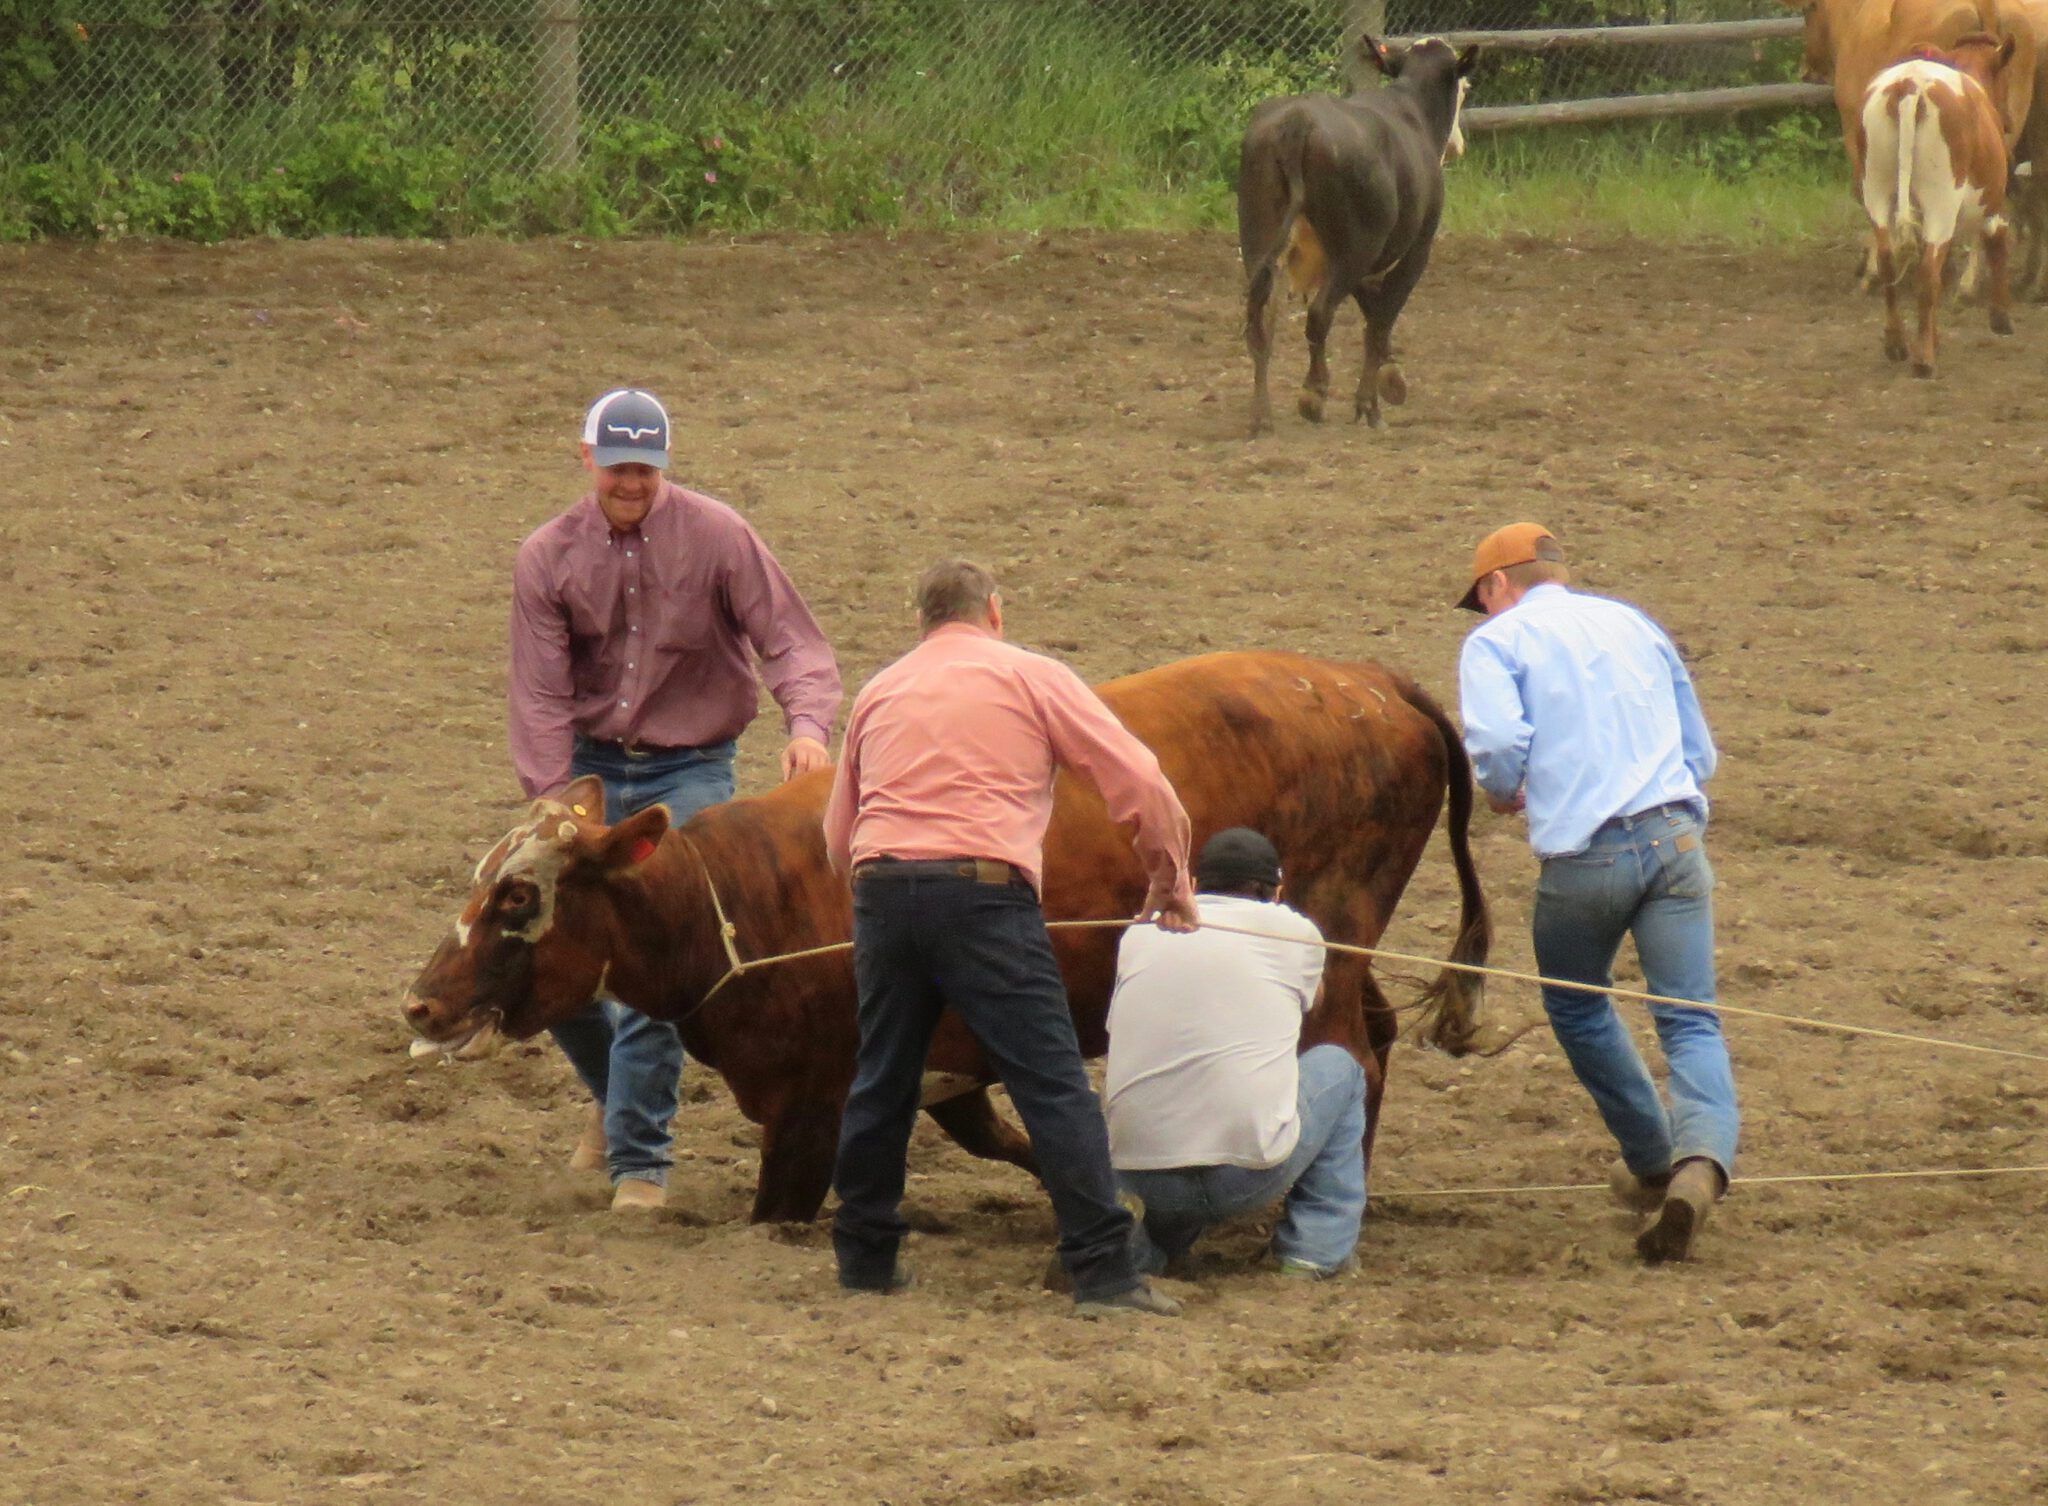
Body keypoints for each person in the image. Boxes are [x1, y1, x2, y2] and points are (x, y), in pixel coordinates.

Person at [823, 559, 1197, 1318]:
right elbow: (1139, 779)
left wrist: (873, 901)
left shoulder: (880, 690)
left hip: (885, 892)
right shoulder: (1030, 676)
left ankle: (866, 1259)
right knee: (1051, 1080)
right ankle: (1102, 1268)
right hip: (985, 895)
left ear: (920, 620)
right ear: (994, 612)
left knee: (883, 1078)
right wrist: (1171, 877)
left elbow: (838, 833)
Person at [509, 387, 843, 1211]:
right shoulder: (546, 558)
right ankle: (613, 1097)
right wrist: (556, 802)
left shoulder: (720, 536)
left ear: (665, 463)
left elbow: (791, 640)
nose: (632, 480)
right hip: (587, 767)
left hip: (690, 765)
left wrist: (807, 726)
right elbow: (541, 694)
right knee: (537, 947)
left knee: (668, 954)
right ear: (586, 458)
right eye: (618, 464)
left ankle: (640, 1166)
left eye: (645, 466)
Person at [1454, 522, 1737, 1263]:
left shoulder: (1496, 642)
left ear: (1496, 586)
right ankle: (1700, 1162)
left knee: (1577, 1003)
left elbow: (1497, 745)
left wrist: (1504, 790)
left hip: (1588, 854)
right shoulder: (1632, 622)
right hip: (1677, 841)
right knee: (1691, 1019)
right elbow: (1698, 750)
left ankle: (1650, 1158)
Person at [1106, 828, 1368, 1280]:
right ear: (1276, 890)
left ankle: (1144, 1250)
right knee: (1342, 1070)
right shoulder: (1296, 931)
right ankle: (1314, 1250)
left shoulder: (1139, 935)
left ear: (1198, 886)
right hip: (1246, 1176)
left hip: (1141, 1178)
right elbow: (1314, 1003)